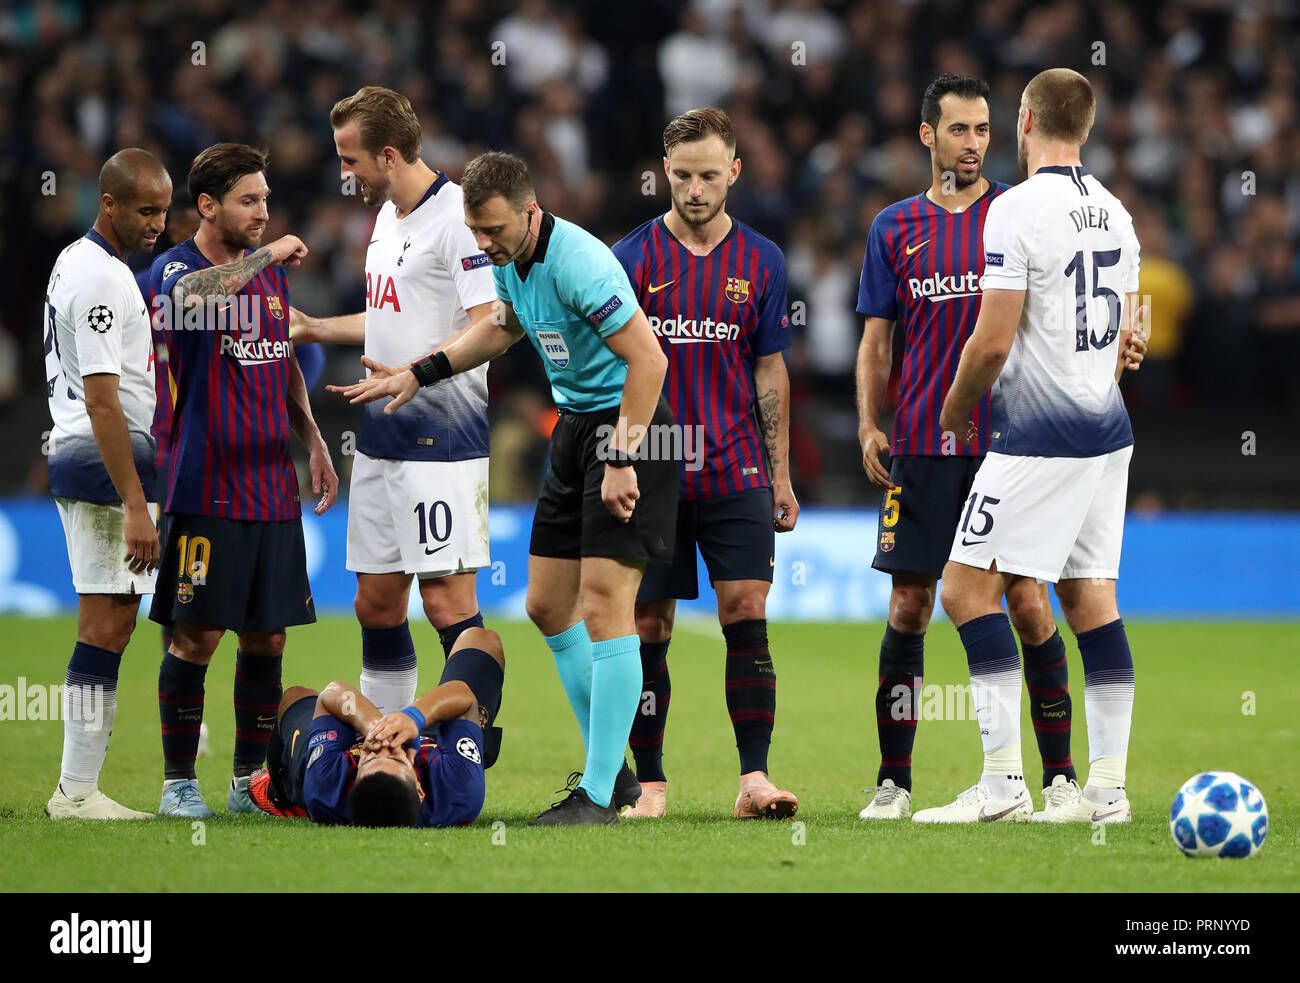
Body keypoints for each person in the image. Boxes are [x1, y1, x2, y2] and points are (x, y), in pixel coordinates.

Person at [332, 151, 674, 826]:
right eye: (474, 231)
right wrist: (420, 372)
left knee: (607, 604)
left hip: (629, 427)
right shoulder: (509, 259)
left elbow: (650, 357)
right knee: (549, 605)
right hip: (576, 425)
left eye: (491, 230)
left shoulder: (578, 261)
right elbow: (500, 326)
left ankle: (601, 794)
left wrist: (625, 455)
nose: (482, 244)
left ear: (529, 210)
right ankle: (620, 776)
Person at [856, 74, 1081, 821]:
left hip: (1009, 443)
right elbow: (875, 342)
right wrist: (868, 421)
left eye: (985, 129)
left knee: (1026, 599)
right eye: (959, 129)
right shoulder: (893, 228)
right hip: (922, 444)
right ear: (928, 135)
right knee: (911, 604)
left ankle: (1058, 781)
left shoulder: (1016, 216)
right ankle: (894, 782)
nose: (975, 142)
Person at [927, 68, 1146, 824]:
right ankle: (1107, 792)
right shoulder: (1118, 213)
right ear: (1083, 128)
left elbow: (990, 343)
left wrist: (955, 409)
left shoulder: (1014, 210)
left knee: (962, 591)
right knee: (1091, 600)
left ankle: (1001, 788)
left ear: (1023, 121)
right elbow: (1126, 338)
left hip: (1039, 434)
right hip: (1107, 430)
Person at [611, 107, 800, 819]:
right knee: (649, 625)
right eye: (683, 175)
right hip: (654, 466)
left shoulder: (764, 261)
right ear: (666, 171)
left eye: (709, 176)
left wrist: (779, 474)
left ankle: (755, 779)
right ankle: (651, 782)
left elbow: (769, 371)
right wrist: (618, 458)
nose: (695, 189)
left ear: (735, 173)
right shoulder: (628, 260)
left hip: (735, 467)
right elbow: (610, 372)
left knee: (746, 611)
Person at [289, 88, 499, 721]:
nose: (345, 174)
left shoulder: (459, 216)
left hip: (445, 439)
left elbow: (493, 321)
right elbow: (388, 317)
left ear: (387, 154)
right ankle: (379, 750)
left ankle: (467, 740)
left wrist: (418, 372)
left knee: (446, 604)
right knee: (376, 604)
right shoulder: (386, 218)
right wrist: (317, 327)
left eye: (351, 161)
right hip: (380, 435)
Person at [148, 143, 339, 818]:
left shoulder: (268, 277)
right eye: (248, 201)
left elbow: (280, 353)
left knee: (269, 638)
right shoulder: (177, 268)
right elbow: (191, 299)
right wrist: (264, 253)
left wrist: (312, 435)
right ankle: (178, 784)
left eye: (265, 200)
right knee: (196, 636)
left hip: (270, 488)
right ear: (207, 206)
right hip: (205, 487)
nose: (262, 213)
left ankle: (246, 782)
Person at [43, 148, 172, 820]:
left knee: (117, 620)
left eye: (163, 210)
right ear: (110, 203)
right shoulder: (100, 278)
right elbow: (101, 399)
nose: (157, 223)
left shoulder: (87, 262)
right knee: (105, 623)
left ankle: (79, 787)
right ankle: (76, 790)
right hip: (100, 460)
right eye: (145, 210)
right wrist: (133, 502)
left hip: (97, 457)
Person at [248, 627, 504, 827]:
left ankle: (278, 794)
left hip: (336, 756)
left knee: (296, 697)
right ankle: (476, 742)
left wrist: (373, 728)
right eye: (395, 756)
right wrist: (412, 717)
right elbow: (464, 696)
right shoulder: (457, 790)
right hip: (442, 746)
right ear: (420, 789)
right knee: (482, 641)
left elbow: (332, 695)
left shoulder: (327, 788)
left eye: (369, 758)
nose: (384, 745)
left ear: (354, 780)